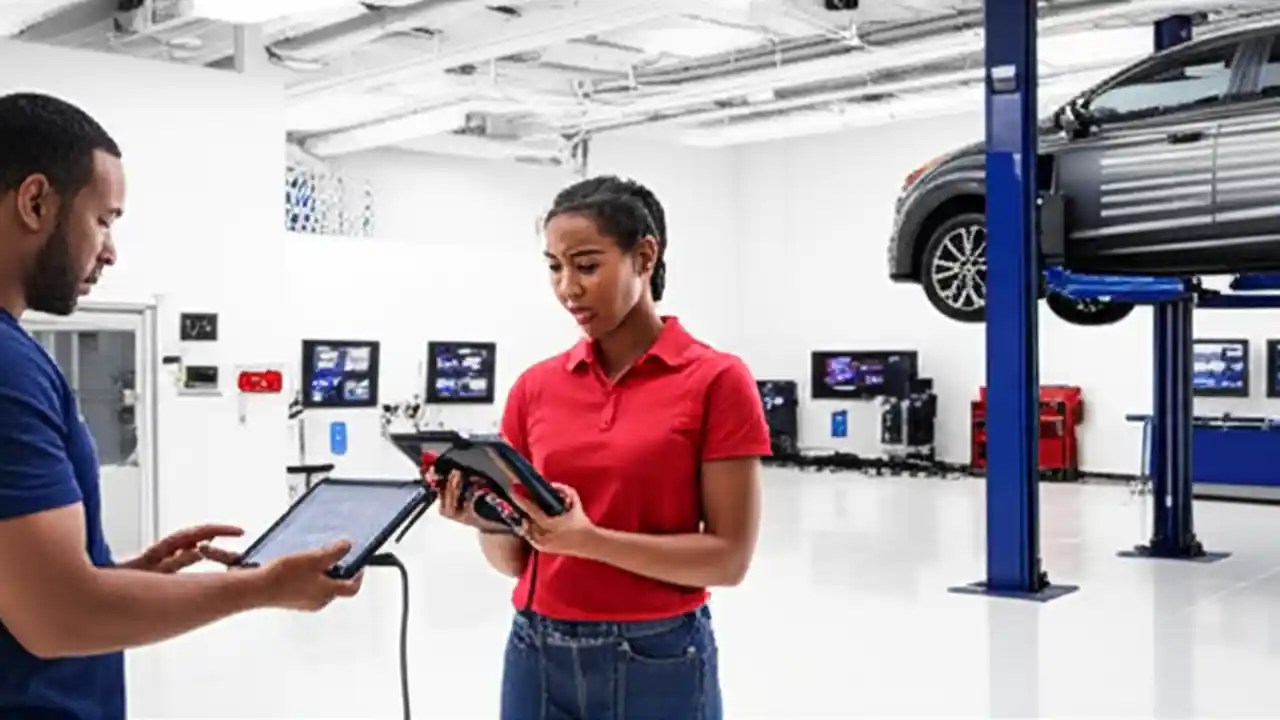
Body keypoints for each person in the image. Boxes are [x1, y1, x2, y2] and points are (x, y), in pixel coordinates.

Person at [0, 91, 363, 720]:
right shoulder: (7, 368)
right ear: (36, 201)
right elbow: (56, 617)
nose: (110, 251)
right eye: (104, 219)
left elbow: (25, 588)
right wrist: (261, 587)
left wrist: (122, 576)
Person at [433, 175, 772, 719]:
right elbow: (518, 560)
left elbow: (729, 559)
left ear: (644, 256)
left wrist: (590, 540)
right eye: (554, 266)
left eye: (587, 265)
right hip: (535, 649)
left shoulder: (716, 380)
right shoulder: (535, 387)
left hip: (658, 655)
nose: (568, 287)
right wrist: (487, 521)